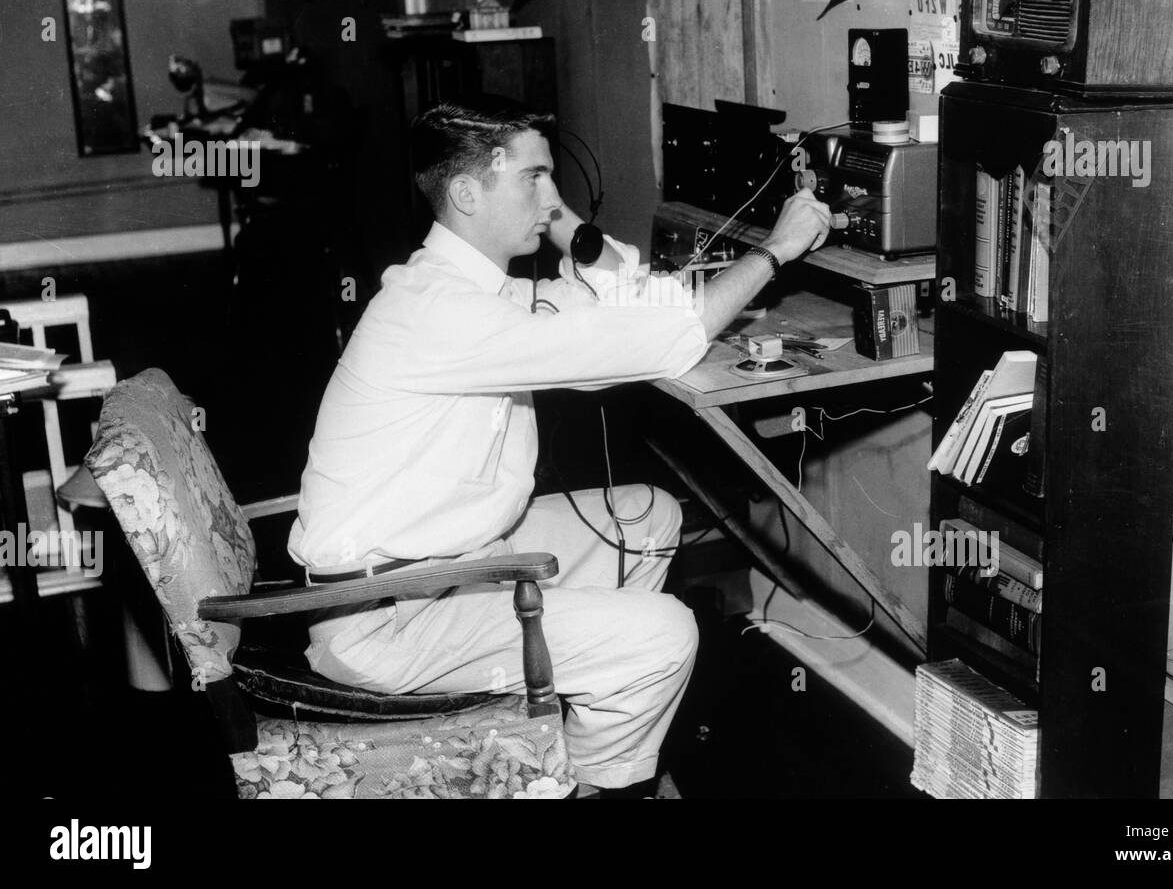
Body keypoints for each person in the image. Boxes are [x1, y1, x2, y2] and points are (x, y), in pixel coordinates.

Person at [288, 96, 831, 794]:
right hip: (388, 617)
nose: (550, 197)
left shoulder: (472, 289)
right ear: (464, 192)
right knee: (666, 635)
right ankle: (591, 784)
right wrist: (775, 251)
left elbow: (626, 298)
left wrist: (565, 222)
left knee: (649, 515)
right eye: (533, 178)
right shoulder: (442, 313)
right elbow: (670, 337)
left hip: (444, 569)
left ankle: (582, 724)